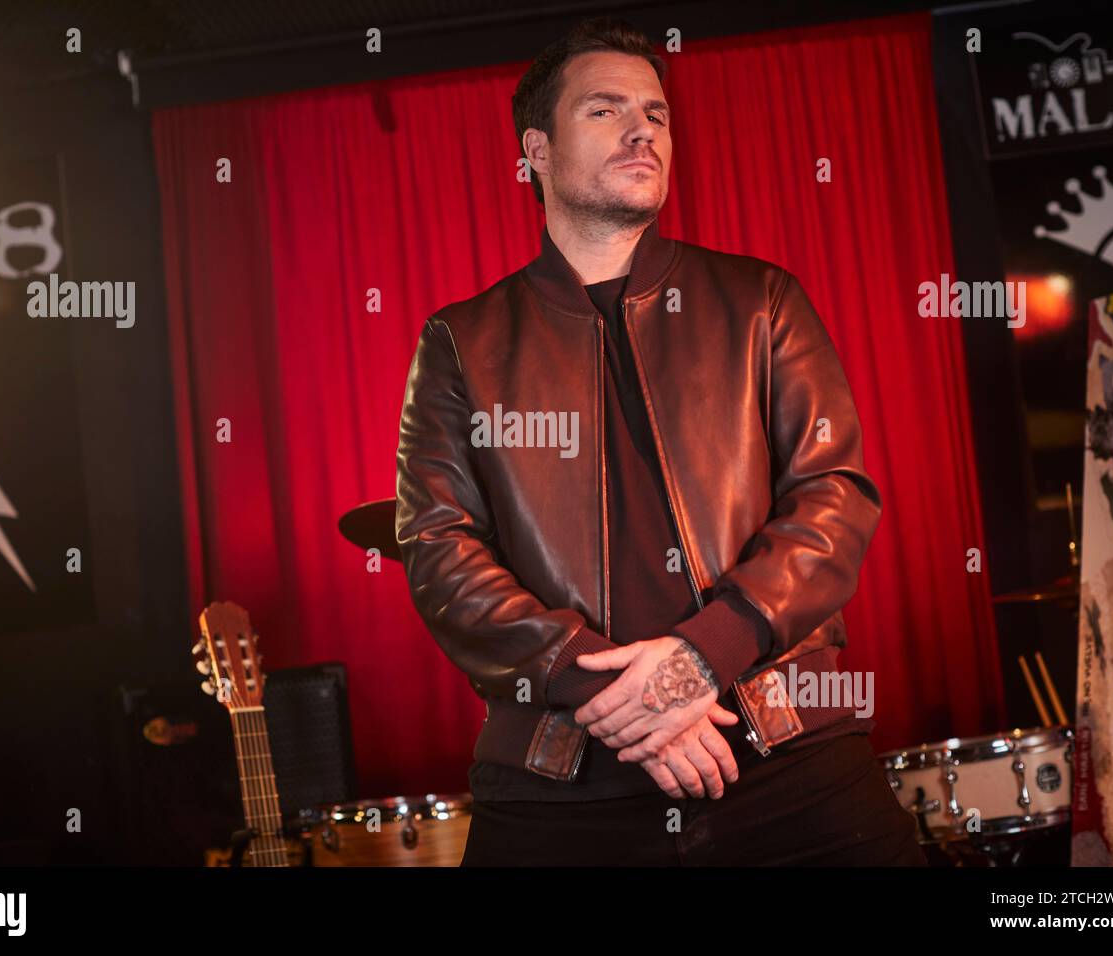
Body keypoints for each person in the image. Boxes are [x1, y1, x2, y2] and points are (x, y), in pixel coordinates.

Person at [395, 15, 925, 866]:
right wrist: (608, 690)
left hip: (781, 745)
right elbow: (435, 547)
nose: (644, 129)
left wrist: (699, 659)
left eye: (657, 113)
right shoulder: (460, 341)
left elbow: (836, 498)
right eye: (605, 110)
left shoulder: (761, 300)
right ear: (536, 148)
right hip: (557, 774)